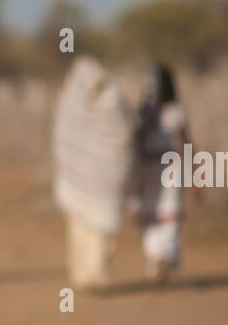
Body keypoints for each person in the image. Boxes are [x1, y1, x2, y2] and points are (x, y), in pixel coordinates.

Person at [52, 55, 137, 290]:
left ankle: (91, 276)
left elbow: (119, 135)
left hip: (90, 181)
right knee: (93, 232)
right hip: (89, 181)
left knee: (87, 231)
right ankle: (91, 276)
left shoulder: (93, 98)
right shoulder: (83, 100)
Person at [135, 63, 188, 282]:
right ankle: (159, 256)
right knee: (156, 210)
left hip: (163, 165)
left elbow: (186, 142)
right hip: (155, 166)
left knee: (163, 210)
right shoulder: (144, 114)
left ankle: (162, 255)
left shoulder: (173, 112)